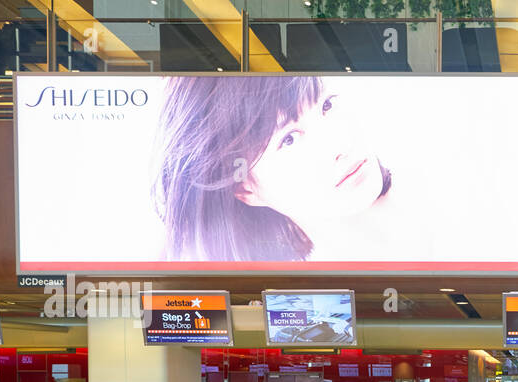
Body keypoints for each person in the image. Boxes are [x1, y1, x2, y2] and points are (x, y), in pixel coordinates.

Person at [151, 76, 396, 262]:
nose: (340, 143)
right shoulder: (300, 299)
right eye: (289, 139)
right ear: (245, 189)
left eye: (327, 105)